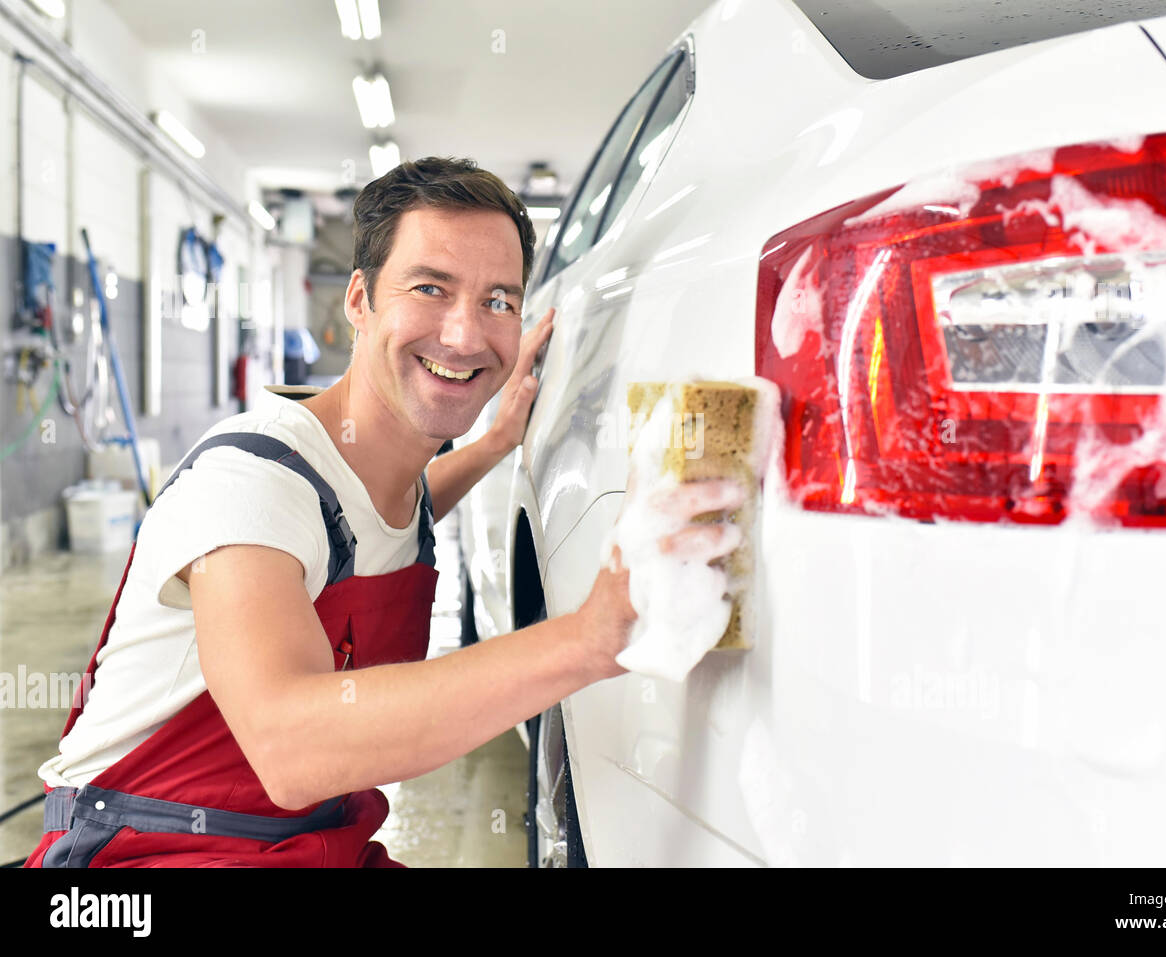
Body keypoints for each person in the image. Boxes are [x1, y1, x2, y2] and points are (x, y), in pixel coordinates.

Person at [24, 156, 741, 868]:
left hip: (309, 848)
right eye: (431, 288)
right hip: (137, 860)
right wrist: (590, 638)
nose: (464, 335)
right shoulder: (252, 481)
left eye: (499, 301)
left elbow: (393, 514)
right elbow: (292, 750)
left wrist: (496, 441)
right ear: (360, 300)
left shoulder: (381, 480)